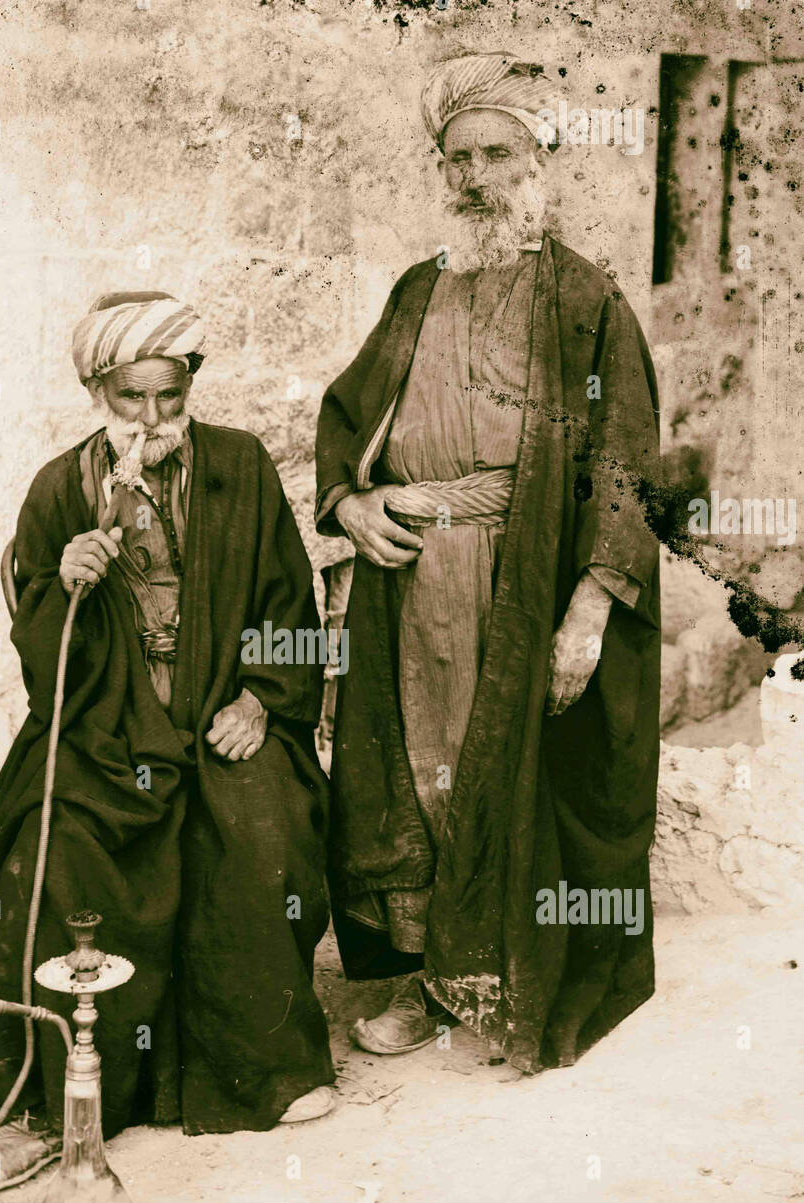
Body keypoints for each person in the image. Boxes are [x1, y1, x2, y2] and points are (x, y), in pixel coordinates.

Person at [0, 290, 335, 1191]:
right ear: (97, 392)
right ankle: (43, 1105)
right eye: (132, 399)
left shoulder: (240, 467)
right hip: (104, 724)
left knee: (261, 823)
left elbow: (291, 608)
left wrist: (264, 702)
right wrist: (65, 587)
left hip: (222, 712)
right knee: (50, 851)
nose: (154, 418)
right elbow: (46, 655)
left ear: (188, 382)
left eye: (169, 394)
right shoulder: (58, 489)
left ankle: (261, 1070)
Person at [315, 53, 662, 1073]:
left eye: (496, 152)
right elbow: (346, 419)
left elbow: (629, 467)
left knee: (502, 778)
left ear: (536, 160)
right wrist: (351, 502)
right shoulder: (416, 290)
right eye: (456, 156)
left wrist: (590, 609)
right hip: (410, 578)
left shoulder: (585, 301)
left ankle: (501, 977)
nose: (476, 174)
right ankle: (421, 979)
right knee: (411, 780)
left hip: (524, 577)